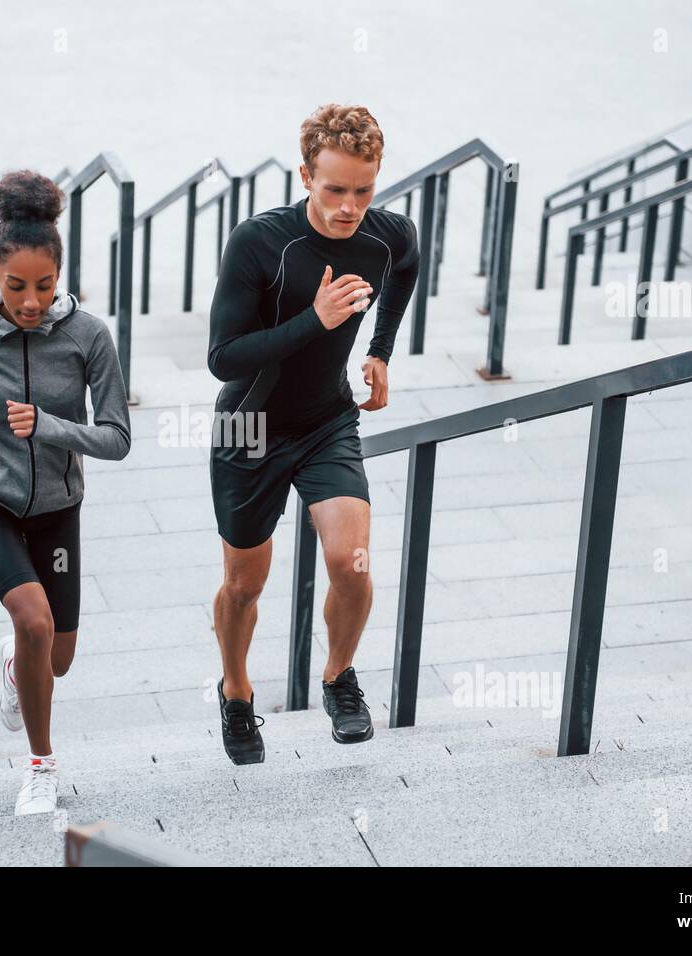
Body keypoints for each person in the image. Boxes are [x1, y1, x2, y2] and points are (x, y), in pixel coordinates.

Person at [206, 103, 420, 764]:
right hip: (249, 425)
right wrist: (317, 321)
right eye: (334, 190)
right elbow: (224, 357)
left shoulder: (386, 236)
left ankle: (338, 678)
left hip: (327, 421)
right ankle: (237, 691)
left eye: (364, 189)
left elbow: (407, 266)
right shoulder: (260, 242)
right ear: (305, 175)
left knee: (349, 563)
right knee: (245, 585)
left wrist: (380, 351)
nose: (350, 206)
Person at [0, 169, 132, 813]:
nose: (32, 300)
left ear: (60, 275)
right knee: (32, 619)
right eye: (16, 286)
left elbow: (118, 437)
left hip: (59, 509)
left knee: (55, 657)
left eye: (44, 285)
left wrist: (50, 427)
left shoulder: (88, 336)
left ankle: (17, 666)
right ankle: (41, 767)